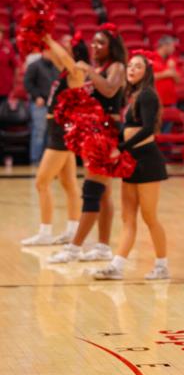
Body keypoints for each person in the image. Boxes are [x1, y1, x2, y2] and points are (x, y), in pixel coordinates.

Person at [49, 24, 127, 264]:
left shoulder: (117, 67)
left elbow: (110, 90)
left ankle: (74, 249)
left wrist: (89, 71)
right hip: (93, 130)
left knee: (92, 190)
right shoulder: (98, 68)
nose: (95, 46)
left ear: (112, 46)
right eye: (93, 42)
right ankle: (103, 247)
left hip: (106, 132)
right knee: (104, 193)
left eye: (101, 42)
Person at [91, 53, 170, 281]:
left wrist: (121, 147)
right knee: (127, 218)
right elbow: (126, 129)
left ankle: (162, 266)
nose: (132, 69)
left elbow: (148, 129)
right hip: (131, 162)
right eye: (130, 66)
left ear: (147, 72)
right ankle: (117, 266)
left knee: (150, 217)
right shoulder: (131, 96)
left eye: (138, 66)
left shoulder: (147, 95)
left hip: (147, 162)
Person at [21, 35, 88, 246]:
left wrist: (49, 39)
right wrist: (43, 38)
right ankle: (73, 231)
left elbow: (64, 57)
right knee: (69, 184)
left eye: (67, 47)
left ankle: (45, 232)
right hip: (59, 131)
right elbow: (58, 57)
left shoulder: (77, 73)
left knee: (42, 182)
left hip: (60, 133)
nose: (61, 48)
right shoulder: (64, 72)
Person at [23, 49, 59, 164]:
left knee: (50, 134)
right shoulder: (34, 66)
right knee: (39, 131)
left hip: (53, 104)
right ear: (43, 52)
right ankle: (35, 159)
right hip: (39, 103)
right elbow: (27, 83)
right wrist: (37, 96)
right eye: (48, 51)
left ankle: (47, 161)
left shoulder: (56, 66)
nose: (51, 54)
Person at [152, 36, 179, 109]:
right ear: (165, 46)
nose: (174, 49)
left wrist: (172, 69)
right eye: (172, 46)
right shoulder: (151, 58)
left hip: (171, 101)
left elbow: (178, 81)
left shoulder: (172, 60)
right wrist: (165, 74)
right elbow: (147, 77)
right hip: (155, 100)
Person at [0, 32, 16, 106]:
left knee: (4, 109)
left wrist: (13, 82)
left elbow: (15, 64)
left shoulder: (8, 46)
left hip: (5, 86)